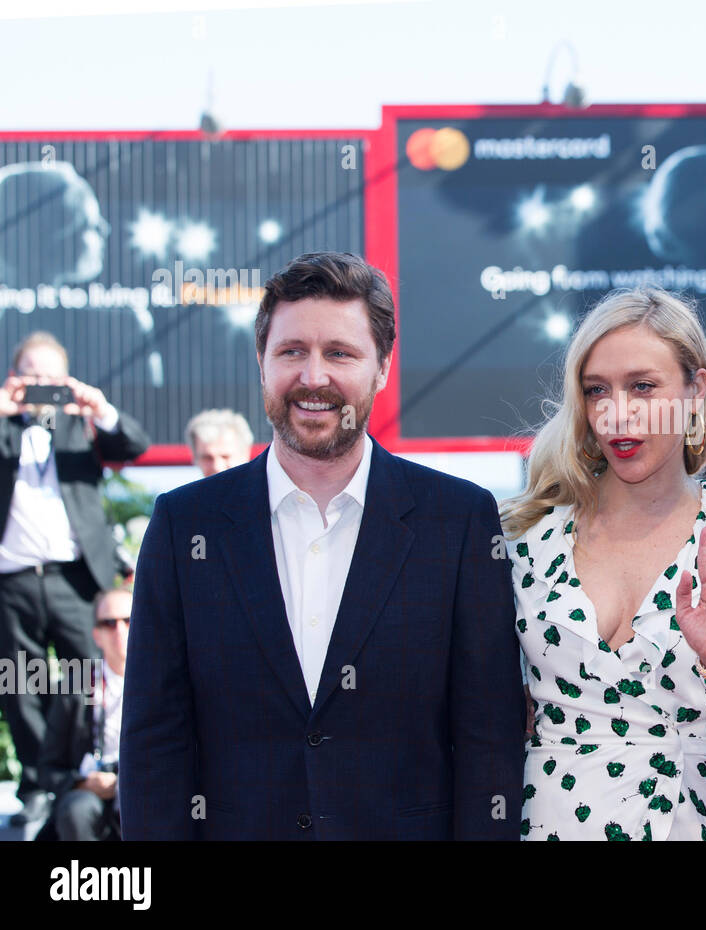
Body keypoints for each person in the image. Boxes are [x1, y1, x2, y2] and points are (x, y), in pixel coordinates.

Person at [120, 251, 524, 840]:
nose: (313, 377)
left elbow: (489, 737)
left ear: (382, 366)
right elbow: (153, 742)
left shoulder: (458, 521)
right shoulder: (185, 526)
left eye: (340, 353)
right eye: (291, 352)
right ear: (261, 361)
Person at [500, 287, 706, 841]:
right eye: (598, 390)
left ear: (696, 388)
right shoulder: (531, 541)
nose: (617, 413)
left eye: (643, 387)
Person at [0, 331, 150, 827]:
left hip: (75, 577)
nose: (40, 384)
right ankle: (42, 785)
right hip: (13, 579)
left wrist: (97, 408)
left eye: (49, 376)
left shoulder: (78, 427)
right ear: (13, 376)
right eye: (30, 373)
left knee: (94, 676)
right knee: (19, 686)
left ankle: (107, 777)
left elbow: (133, 443)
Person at [38, 585, 134, 841]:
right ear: (96, 635)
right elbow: (48, 769)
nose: (119, 631)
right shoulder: (76, 687)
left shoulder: (165, 681)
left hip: (145, 787)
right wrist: (82, 783)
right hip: (92, 797)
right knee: (76, 809)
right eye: (109, 623)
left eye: (128, 620)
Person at [186, 408, 254, 477]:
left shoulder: (264, 486)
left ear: (245, 453)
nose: (217, 467)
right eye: (207, 458)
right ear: (195, 458)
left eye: (225, 457)